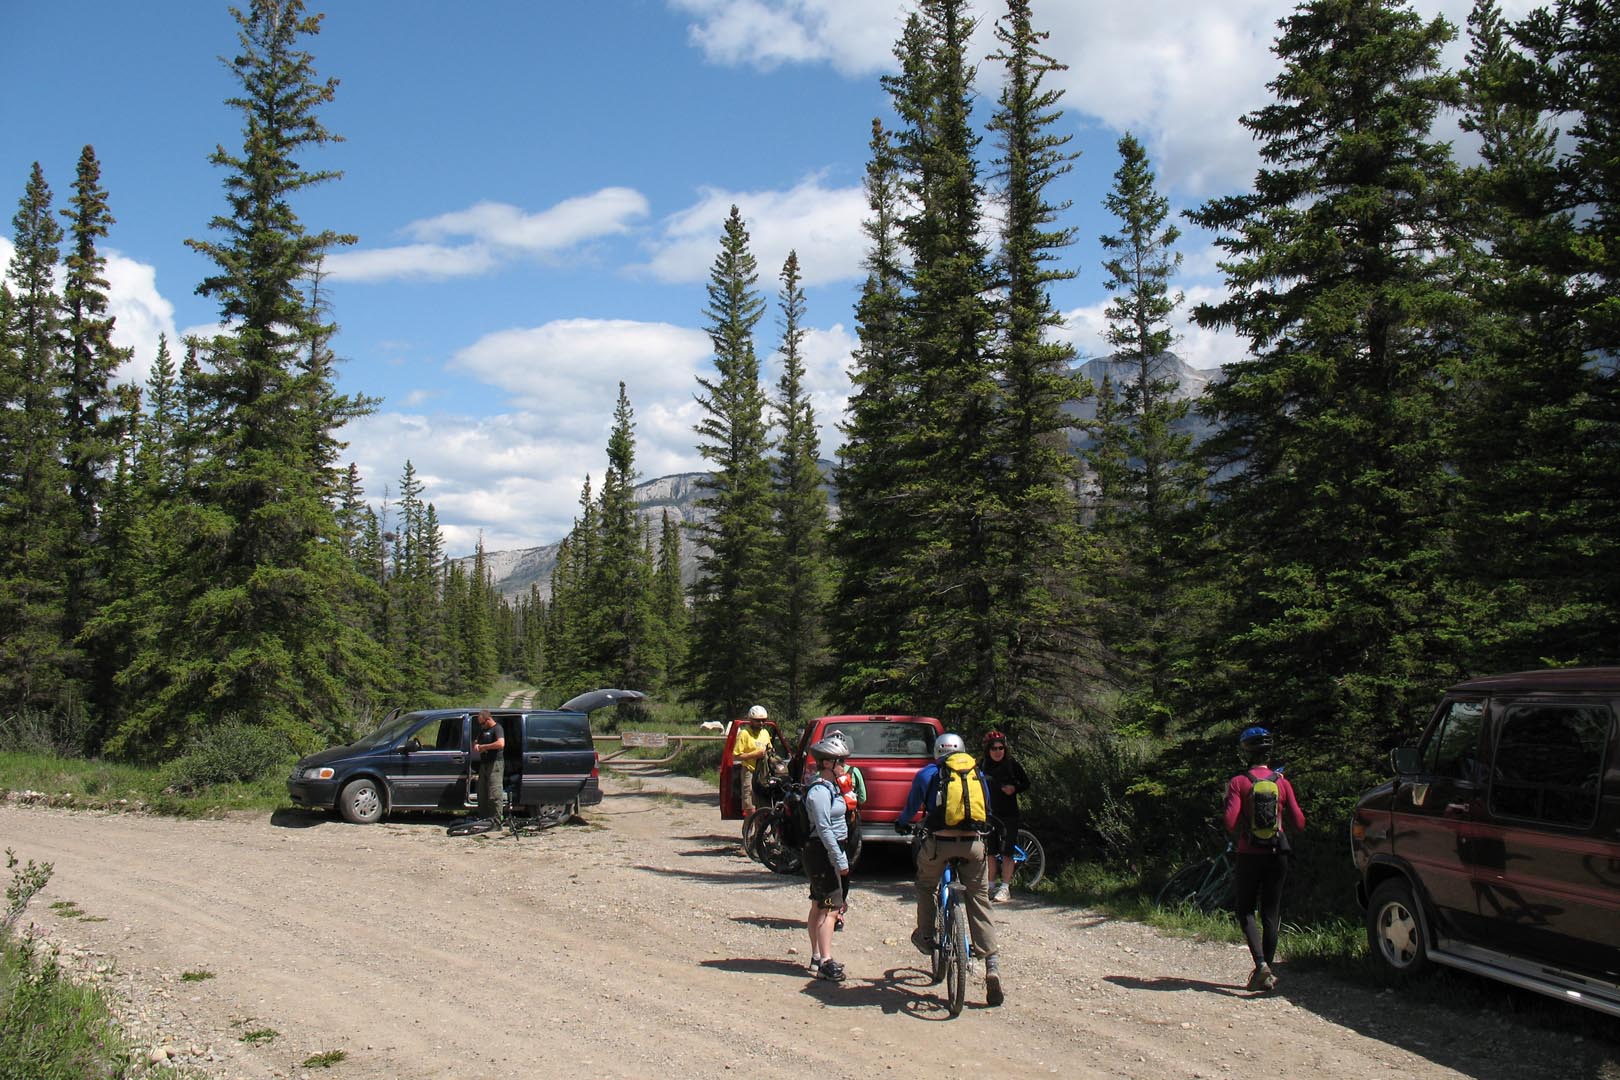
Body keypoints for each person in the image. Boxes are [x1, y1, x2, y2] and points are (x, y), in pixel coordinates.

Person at [895, 733, 1003, 1007]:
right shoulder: (975, 772)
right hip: (973, 845)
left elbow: (910, 809)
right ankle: (991, 964)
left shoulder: (928, 773)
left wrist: (902, 822)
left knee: (926, 886)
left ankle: (926, 935)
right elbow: (987, 808)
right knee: (979, 898)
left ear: (936, 751)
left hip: (938, 842)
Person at [1223, 726, 1305, 992]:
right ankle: (1266, 970)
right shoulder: (1282, 782)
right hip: (1277, 852)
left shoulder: (1239, 782)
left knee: (1245, 909)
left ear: (1246, 751)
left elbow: (1230, 822)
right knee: (1271, 911)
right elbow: (1300, 823)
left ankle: (1260, 965)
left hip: (1249, 853)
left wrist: (1230, 801)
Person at [802, 733, 851, 982]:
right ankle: (825, 962)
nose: (844, 764)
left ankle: (816, 957)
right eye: (840, 760)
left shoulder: (829, 787)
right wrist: (839, 860)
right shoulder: (820, 791)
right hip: (823, 853)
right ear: (828, 763)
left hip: (821, 852)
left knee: (818, 905)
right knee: (830, 908)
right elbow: (823, 828)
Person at [981, 730, 1029, 903]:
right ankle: (991, 886)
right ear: (988, 749)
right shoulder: (982, 765)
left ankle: (1005, 888)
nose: (998, 751)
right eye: (994, 748)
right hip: (990, 814)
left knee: (1007, 852)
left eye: (1001, 747)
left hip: (1009, 814)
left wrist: (1014, 789)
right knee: (991, 852)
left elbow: (1026, 782)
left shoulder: (1012, 764)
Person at [733, 705, 771, 818]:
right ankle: (749, 827)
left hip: (763, 771)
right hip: (749, 770)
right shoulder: (744, 734)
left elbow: (769, 749)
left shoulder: (765, 733)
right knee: (749, 802)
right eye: (758, 721)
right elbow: (736, 756)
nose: (761, 723)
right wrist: (755, 754)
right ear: (751, 720)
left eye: (763, 720)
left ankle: (759, 830)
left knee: (762, 800)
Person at [472, 710, 505, 826]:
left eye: (482, 723)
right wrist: (476, 746)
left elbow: (501, 744)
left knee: (494, 793)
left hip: (495, 763)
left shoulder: (497, 728)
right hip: (484, 763)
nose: (481, 726)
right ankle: (484, 820)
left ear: (488, 720)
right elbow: (476, 742)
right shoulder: (482, 730)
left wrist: (485, 747)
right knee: (482, 793)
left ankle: (496, 822)